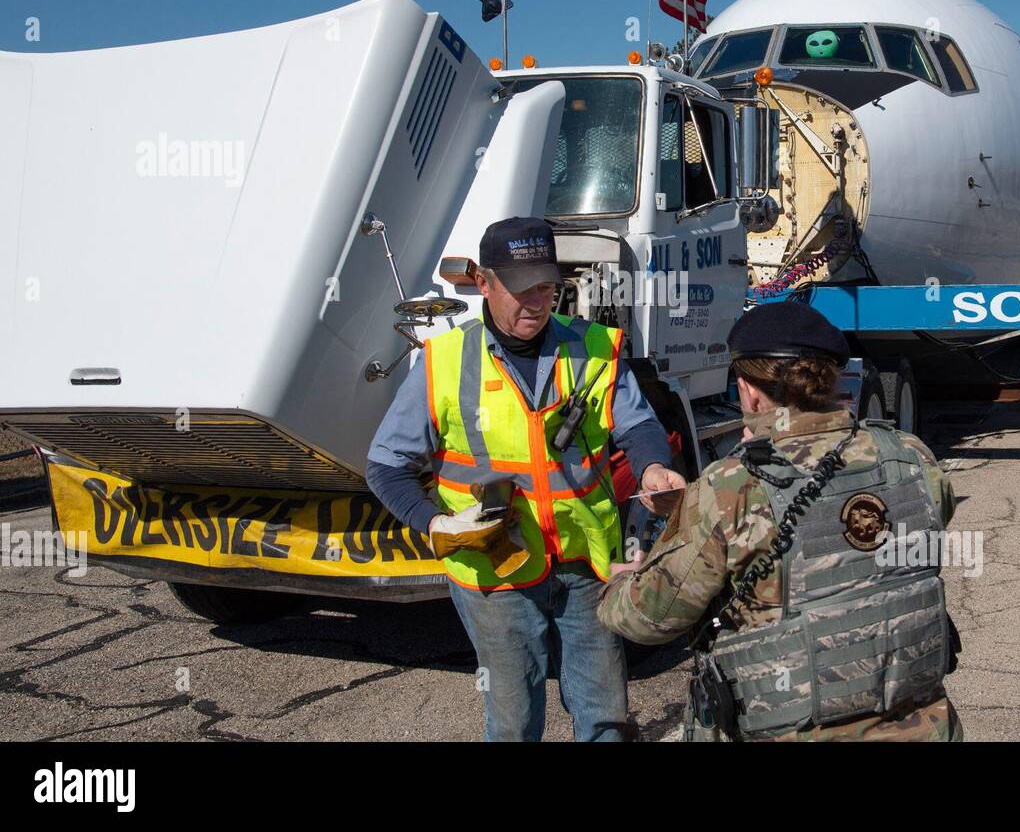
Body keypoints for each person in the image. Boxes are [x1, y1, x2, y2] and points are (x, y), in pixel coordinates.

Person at [366, 216, 685, 741]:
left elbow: (640, 425)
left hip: (585, 563)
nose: (536, 303)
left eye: (546, 287)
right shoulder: (443, 362)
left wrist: (653, 466)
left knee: (606, 713)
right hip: (498, 568)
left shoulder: (598, 348)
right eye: (519, 289)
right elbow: (385, 465)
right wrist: (435, 523)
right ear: (485, 284)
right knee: (514, 723)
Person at [598, 301, 963, 742]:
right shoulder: (910, 454)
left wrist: (622, 582)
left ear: (749, 392)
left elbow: (649, 619)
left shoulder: (730, 486)